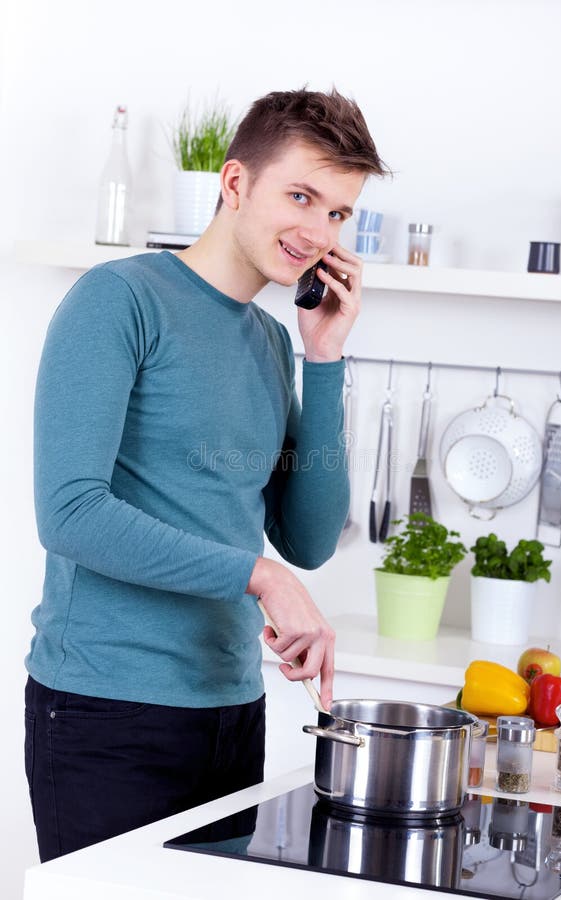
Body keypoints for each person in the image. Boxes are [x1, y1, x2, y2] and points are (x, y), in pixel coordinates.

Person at [24, 88, 386, 862]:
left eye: (338, 213)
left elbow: (311, 537)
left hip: (230, 712)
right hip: (107, 714)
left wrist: (323, 359)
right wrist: (260, 577)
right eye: (301, 195)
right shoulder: (119, 301)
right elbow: (70, 513)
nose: (317, 230)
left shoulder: (268, 340)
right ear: (234, 183)